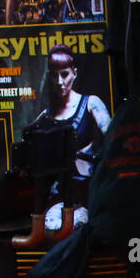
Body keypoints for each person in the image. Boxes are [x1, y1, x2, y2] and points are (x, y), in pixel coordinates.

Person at [42, 46, 113, 233]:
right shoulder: (45, 117)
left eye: (64, 74)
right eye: (54, 76)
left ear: (74, 73)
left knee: (75, 227)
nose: (60, 82)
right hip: (58, 197)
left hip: (89, 193)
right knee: (52, 227)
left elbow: (116, 142)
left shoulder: (91, 103)